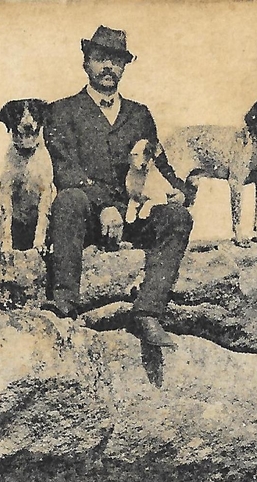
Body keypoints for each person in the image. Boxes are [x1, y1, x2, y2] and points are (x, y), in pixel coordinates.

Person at [42, 26, 192, 349]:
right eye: (101, 59)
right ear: (86, 63)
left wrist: (181, 189)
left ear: (124, 66)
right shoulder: (61, 112)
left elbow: (159, 164)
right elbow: (65, 170)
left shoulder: (140, 115)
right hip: (86, 221)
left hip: (132, 219)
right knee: (67, 200)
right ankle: (65, 303)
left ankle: (148, 311)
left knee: (178, 218)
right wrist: (103, 206)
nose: (109, 67)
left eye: (116, 60)